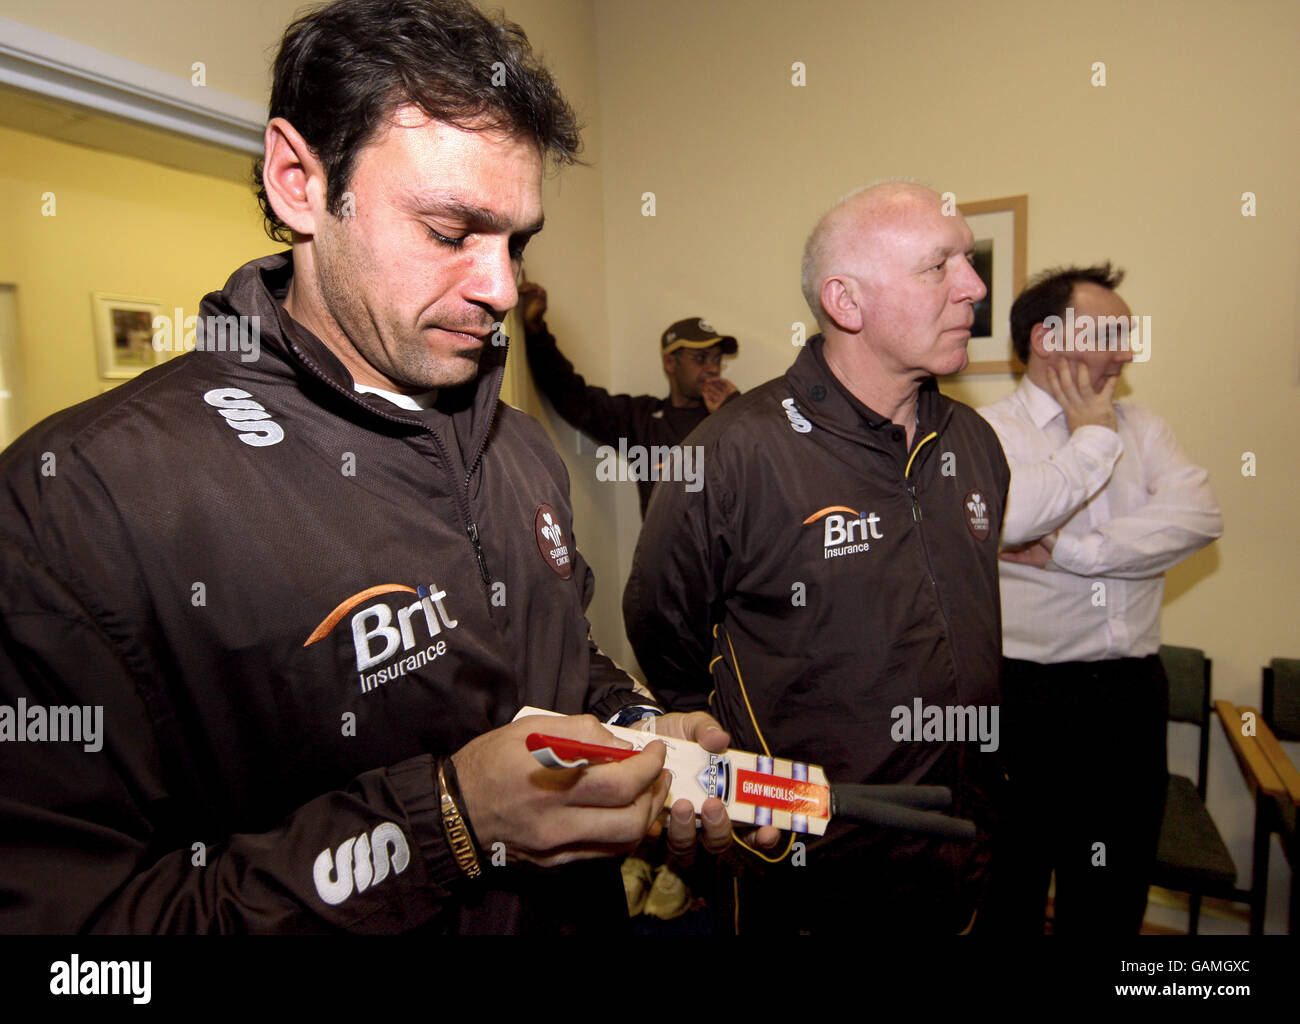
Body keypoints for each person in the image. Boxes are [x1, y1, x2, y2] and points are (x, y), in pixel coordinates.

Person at [0, 0, 737, 935]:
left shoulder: (517, 447)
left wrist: (634, 725)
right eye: (449, 231)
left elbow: (551, 658)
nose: (502, 287)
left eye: (518, 240)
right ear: (299, 182)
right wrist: (448, 826)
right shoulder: (79, 504)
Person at [623, 181, 1010, 934]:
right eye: (940, 267)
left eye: (968, 260)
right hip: (808, 869)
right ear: (847, 301)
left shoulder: (975, 442)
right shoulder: (735, 453)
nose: (975, 286)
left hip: (961, 851)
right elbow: (662, 626)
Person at [978, 263, 1223, 934]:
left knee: (1113, 894)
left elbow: (1198, 518)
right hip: (1023, 697)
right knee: (1011, 884)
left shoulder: (1144, 427)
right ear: (1047, 339)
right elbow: (1005, 523)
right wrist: (1095, 447)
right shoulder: (986, 435)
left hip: (1130, 696)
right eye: (1111, 331)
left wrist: (1074, 554)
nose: (1128, 349)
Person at [520, 283, 741, 516]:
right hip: (662, 552)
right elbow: (573, 397)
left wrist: (733, 407)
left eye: (716, 359)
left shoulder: (729, 416)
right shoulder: (644, 419)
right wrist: (536, 331)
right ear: (670, 363)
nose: (712, 369)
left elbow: (762, 465)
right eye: (701, 357)